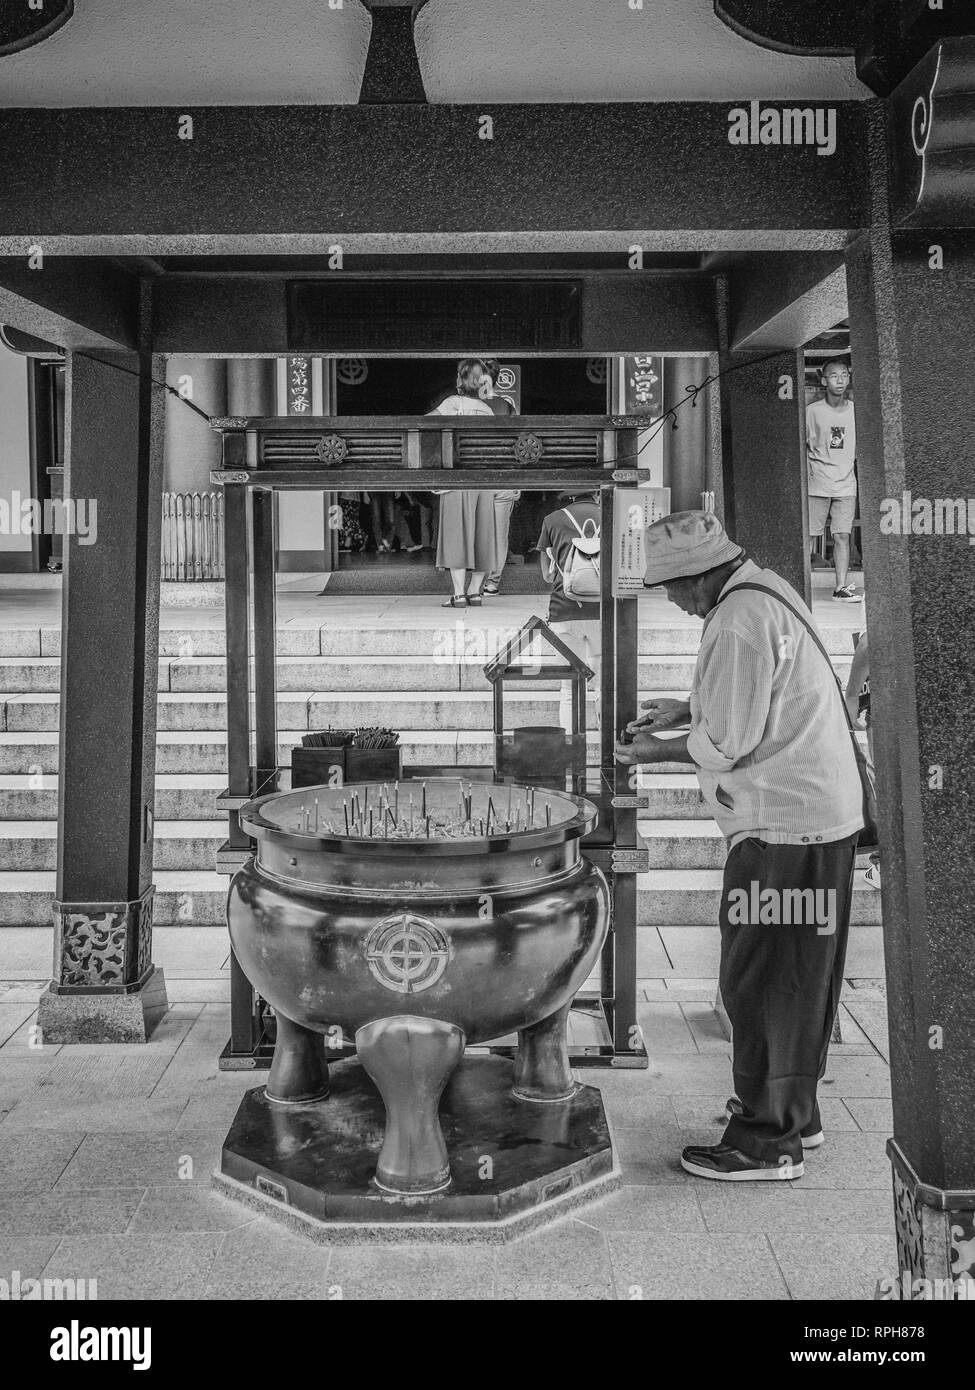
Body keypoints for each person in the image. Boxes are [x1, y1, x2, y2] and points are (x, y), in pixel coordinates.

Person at [615, 510, 862, 1181]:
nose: (672, 602)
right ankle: (792, 1114)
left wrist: (652, 748)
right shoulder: (762, 591)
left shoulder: (735, 619)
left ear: (697, 577)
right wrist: (684, 708)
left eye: (671, 589)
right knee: (797, 980)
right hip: (816, 822)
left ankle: (764, 1143)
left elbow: (730, 741)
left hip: (785, 830)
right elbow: (753, 699)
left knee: (760, 982)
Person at [430, 359, 498, 607]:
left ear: (460, 379)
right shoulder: (487, 411)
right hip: (482, 481)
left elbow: (423, 423)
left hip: (455, 480)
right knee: (483, 536)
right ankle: (475, 591)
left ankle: (459, 594)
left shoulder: (451, 404)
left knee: (456, 535)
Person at [537, 489, 601, 731]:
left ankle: (572, 749)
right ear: (596, 494)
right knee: (604, 686)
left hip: (563, 609)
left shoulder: (552, 520)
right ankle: (608, 749)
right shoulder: (611, 516)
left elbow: (546, 574)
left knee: (569, 687)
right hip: (603, 610)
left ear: (570, 496)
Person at [807, 359, 861, 603]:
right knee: (809, 535)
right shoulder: (813, 411)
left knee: (842, 535)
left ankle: (840, 587)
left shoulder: (856, 411)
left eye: (844, 375)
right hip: (817, 483)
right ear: (823, 380)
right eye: (834, 376)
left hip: (846, 483)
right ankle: (801, 586)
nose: (839, 380)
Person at [481, 359, 520, 596]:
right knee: (498, 534)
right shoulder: (506, 406)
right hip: (504, 477)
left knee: (477, 533)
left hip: (476, 479)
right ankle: (492, 581)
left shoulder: (465, 406)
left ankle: (476, 581)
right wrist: (518, 481)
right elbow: (517, 445)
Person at [845, 631, 880, 890]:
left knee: (885, 779)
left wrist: (852, 695)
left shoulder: (883, 594)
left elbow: (869, 641)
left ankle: (882, 862)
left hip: (888, 699)